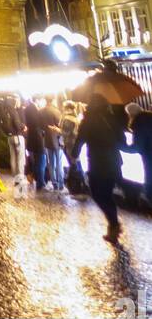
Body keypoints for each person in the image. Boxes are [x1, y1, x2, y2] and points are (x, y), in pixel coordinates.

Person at [72, 93, 125, 244]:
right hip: (114, 161)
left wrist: (74, 154)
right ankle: (113, 226)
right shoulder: (112, 119)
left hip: (97, 162)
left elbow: (80, 139)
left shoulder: (88, 120)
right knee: (107, 194)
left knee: (97, 194)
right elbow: (121, 140)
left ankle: (114, 225)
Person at [126, 102, 152, 207]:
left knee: (149, 187)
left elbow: (137, 147)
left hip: (149, 157)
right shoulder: (149, 117)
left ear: (131, 114)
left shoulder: (139, 123)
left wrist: (121, 146)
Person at [1, 96, 27, 196]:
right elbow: (17, 123)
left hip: (9, 137)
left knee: (13, 158)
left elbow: (2, 126)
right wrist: (23, 127)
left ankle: (15, 180)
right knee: (20, 160)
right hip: (17, 136)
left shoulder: (4, 112)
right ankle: (20, 184)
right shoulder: (13, 111)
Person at [40, 98, 64, 190]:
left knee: (51, 163)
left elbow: (41, 126)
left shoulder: (41, 111)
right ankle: (60, 183)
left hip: (47, 140)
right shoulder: (56, 111)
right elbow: (60, 125)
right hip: (57, 141)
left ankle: (54, 183)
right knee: (59, 163)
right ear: (53, 100)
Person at [24, 98, 47, 190]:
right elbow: (40, 125)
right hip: (38, 141)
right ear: (37, 100)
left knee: (37, 163)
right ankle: (40, 183)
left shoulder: (27, 109)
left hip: (31, 141)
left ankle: (39, 182)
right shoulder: (36, 111)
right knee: (41, 163)